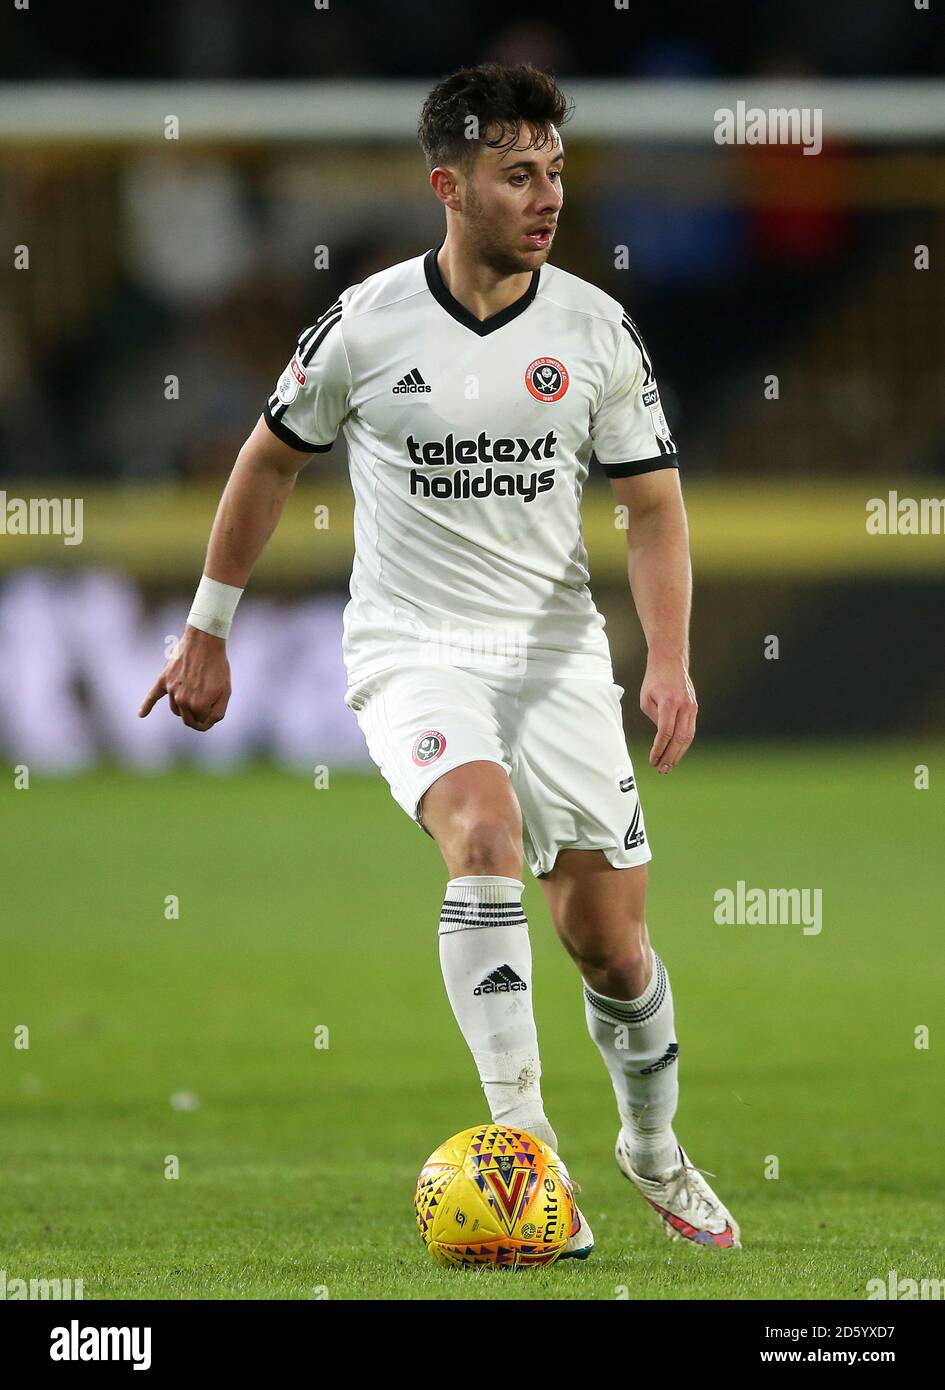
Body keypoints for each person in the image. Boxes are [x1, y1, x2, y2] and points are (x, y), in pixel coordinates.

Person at [140, 62, 740, 1255]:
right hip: (412, 647)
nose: (547, 196)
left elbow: (656, 506)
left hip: (558, 655)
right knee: (481, 830)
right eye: (519, 174)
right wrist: (208, 623)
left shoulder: (593, 329)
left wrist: (665, 657)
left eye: (556, 171)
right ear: (448, 186)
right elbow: (267, 458)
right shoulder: (367, 325)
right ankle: (532, 1159)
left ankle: (652, 1147)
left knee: (610, 946)